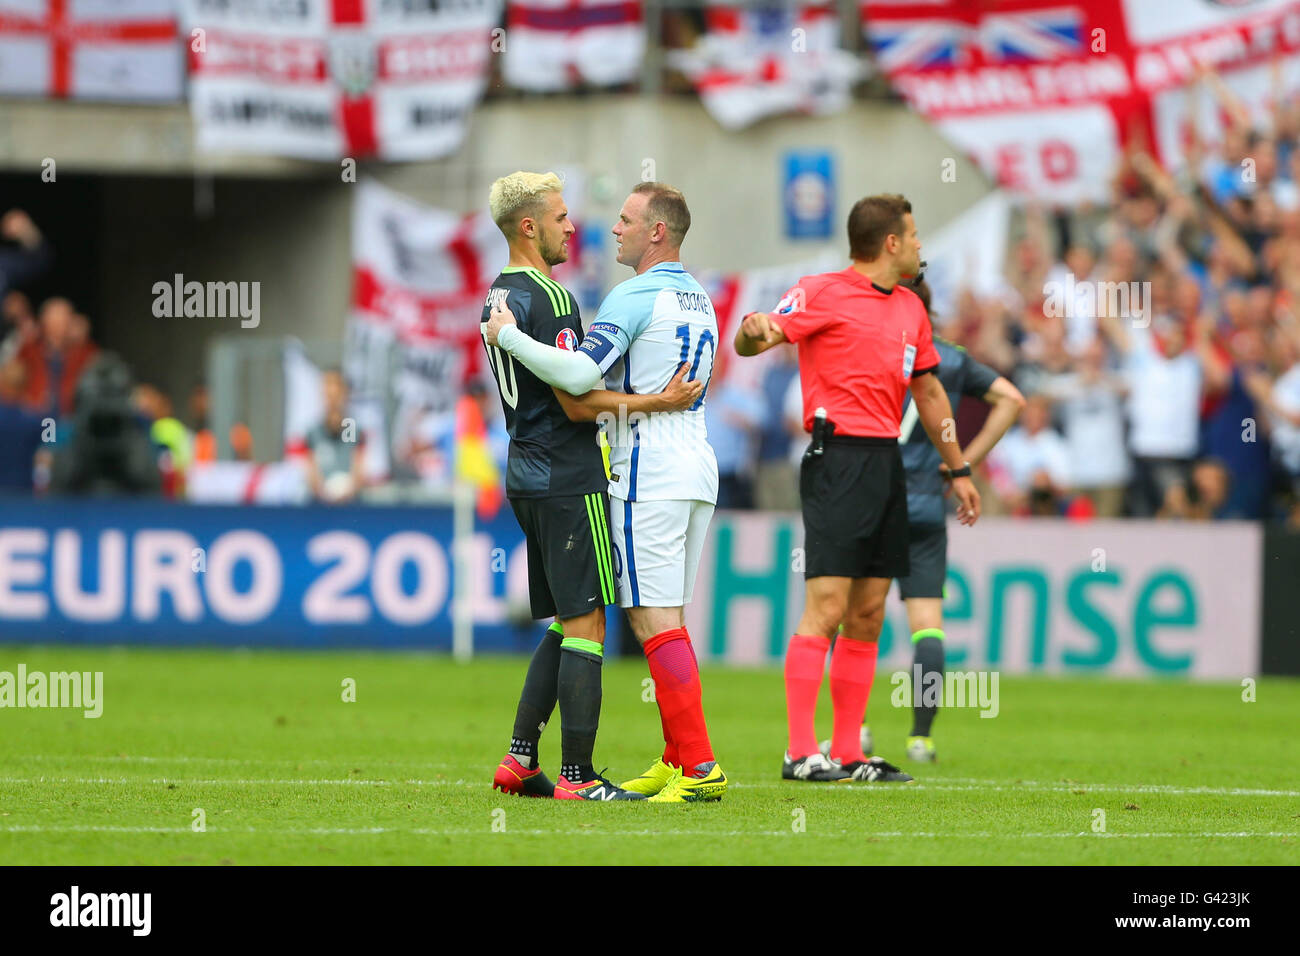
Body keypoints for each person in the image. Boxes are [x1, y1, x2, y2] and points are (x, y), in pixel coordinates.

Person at [485, 182, 727, 803]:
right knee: (603, 616)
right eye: (570, 218)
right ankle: (673, 762)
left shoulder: (623, 295)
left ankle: (694, 767)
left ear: (656, 232)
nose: (604, 229)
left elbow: (578, 382)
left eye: (624, 220)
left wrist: (508, 337)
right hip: (694, 462)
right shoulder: (699, 296)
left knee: (639, 619)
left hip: (644, 468)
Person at [733, 193, 981, 783]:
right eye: (915, 235)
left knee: (868, 613)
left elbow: (929, 394)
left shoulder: (910, 311)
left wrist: (959, 467)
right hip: (836, 458)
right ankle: (799, 751)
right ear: (890, 242)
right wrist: (752, 330)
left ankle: (847, 751)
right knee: (826, 607)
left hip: (886, 464)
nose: (921, 245)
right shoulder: (820, 290)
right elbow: (755, 339)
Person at [856, 278, 1024, 764]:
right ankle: (921, 739)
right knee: (927, 626)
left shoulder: (869, 346)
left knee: (856, 620)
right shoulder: (950, 357)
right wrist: (961, 464)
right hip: (928, 504)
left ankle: (856, 731)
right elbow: (1012, 399)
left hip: (874, 499)